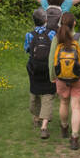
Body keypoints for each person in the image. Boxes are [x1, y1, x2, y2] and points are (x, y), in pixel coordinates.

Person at [47, 12, 80, 150]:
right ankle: (74, 137)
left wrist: (52, 77)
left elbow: (51, 60)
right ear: (74, 23)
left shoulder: (57, 38)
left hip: (61, 77)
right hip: (78, 77)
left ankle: (64, 128)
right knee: (76, 107)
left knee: (63, 102)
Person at [24, 7, 57, 140]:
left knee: (35, 92)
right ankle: (44, 126)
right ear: (46, 20)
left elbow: (27, 49)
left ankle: (36, 117)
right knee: (48, 95)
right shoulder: (52, 34)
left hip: (34, 68)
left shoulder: (29, 35)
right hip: (49, 68)